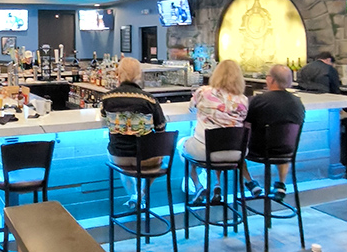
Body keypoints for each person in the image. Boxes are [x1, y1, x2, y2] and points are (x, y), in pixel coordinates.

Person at [180, 59, 249, 206]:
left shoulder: (203, 92)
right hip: (236, 153)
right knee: (213, 151)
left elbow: (192, 109)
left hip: (205, 152)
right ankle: (216, 185)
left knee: (182, 146)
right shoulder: (243, 100)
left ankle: (198, 185)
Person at [100, 57, 166, 209]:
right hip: (146, 159)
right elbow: (161, 128)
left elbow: (104, 121)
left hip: (119, 157)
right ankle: (141, 194)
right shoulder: (149, 100)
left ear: (119, 74)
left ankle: (135, 196)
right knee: (153, 163)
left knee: (124, 165)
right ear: (139, 75)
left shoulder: (107, 98)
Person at [242, 63, 305, 202]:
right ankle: (281, 184)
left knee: (236, 149)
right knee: (283, 140)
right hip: (287, 152)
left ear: (271, 80)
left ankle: (251, 183)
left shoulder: (258, 100)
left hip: (259, 151)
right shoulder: (298, 102)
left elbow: (244, 121)